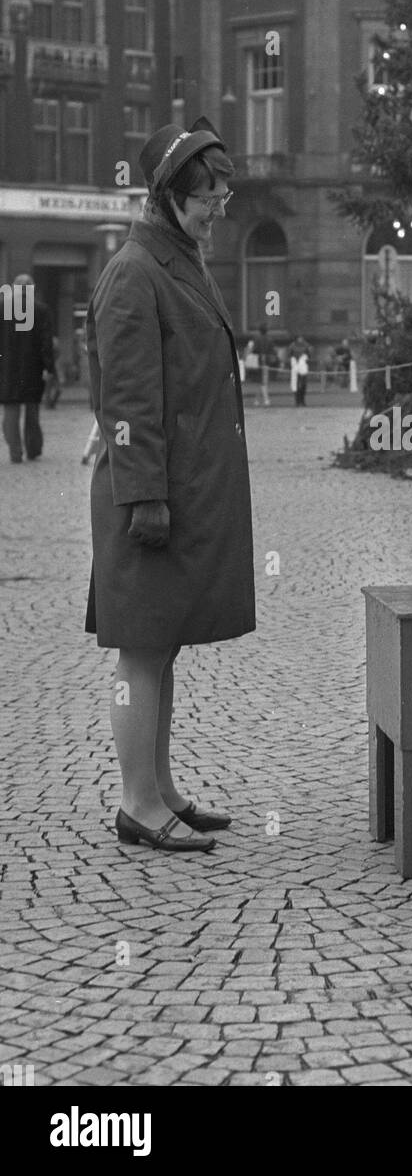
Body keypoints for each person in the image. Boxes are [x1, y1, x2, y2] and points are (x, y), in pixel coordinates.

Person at [85, 116, 255, 853]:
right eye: (206, 198)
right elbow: (127, 400)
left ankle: (160, 790)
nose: (218, 209)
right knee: (141, 652)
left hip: (174, 488)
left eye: (221, 195)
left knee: (165, 645)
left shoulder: (175, 257)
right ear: (166, 197)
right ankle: (135, 804)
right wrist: (145, 498)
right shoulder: (135, 271)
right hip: (147, 497)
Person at [1, 273, 55, 463]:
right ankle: (33, 449)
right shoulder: (41, 309)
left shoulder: (2, 308)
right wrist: (49, 367)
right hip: (32, 368)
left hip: (7, 369)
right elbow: (46, 342)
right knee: (32, 411)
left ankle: (15, 452)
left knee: (10, 411)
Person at [290, 335, 310, 407]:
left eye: (301, 338)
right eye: (299, 338)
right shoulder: (292, 346)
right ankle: (297, 401)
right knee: (296, 385)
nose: (300, 340)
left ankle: (302, 400)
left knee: (303, 385)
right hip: (296, 367)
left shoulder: (306, 345)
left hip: (303, 367)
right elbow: (291, 355)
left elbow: (308, 356)